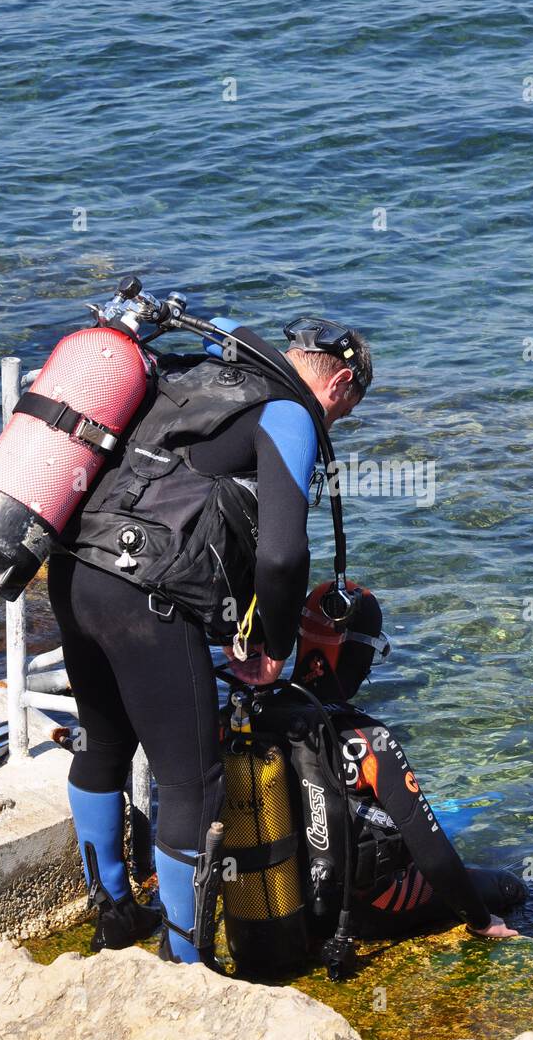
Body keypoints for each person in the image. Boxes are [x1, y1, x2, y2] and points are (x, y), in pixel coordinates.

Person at [48, 312, 372, 964]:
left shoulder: (197, 376)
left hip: (72, 569)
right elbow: (283, 554)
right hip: (144, 597)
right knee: (194, 781)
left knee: (104, 743)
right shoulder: (289, 412)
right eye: (344, 411)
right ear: (338, 382)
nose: (331, 425)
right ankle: (185, 962)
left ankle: (113, 915)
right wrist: (274, 647)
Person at [249, 581, 525, 942]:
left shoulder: (255, 713)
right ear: (356, 655)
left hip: (282, 901)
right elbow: (432, 852)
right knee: (509, 888)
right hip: (363, 914)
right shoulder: (367, 738)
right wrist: (480, 920)